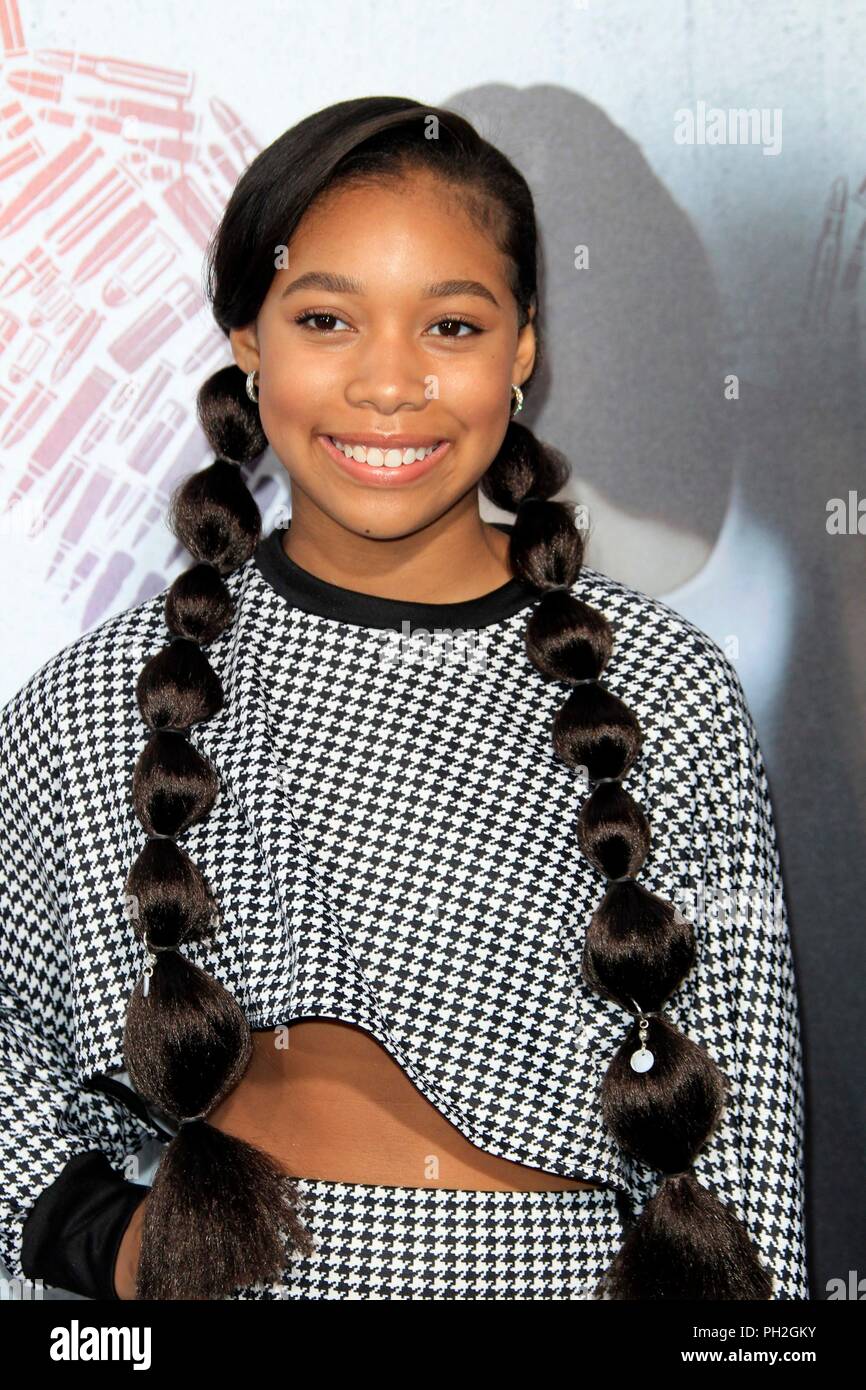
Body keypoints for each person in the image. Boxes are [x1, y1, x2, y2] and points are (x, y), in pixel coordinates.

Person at [0, 97, 808, 1301]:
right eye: (325, 318)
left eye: (450, 323)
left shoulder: (669, 686)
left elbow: (741, 1134)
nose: (389, 382)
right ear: (247, 342)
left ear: (522, 350)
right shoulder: (103, 700)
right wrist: (109, 1241)